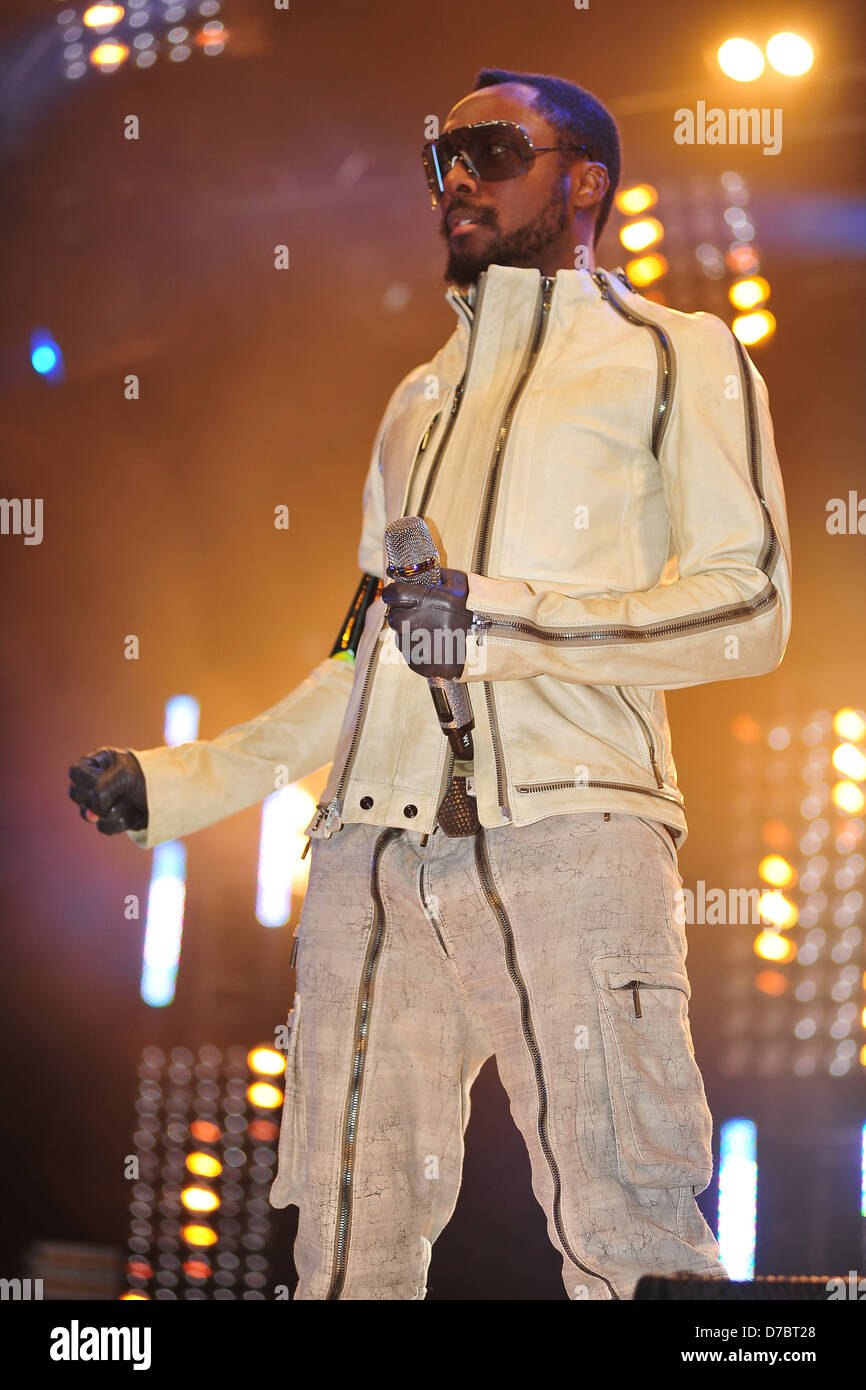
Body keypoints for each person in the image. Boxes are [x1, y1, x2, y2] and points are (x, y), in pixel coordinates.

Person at [68, 68, 792, 1300]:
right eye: (437, 158)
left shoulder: (680, 355)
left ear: (585, 183)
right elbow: (364, 655)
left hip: (572, 822)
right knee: (343, 1233)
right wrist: (184, 784)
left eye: (491, 148)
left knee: (629, 1225)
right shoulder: (415, 401)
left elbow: (749, 607)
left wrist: (501, 621)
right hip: (368, 853)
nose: (453, 177)